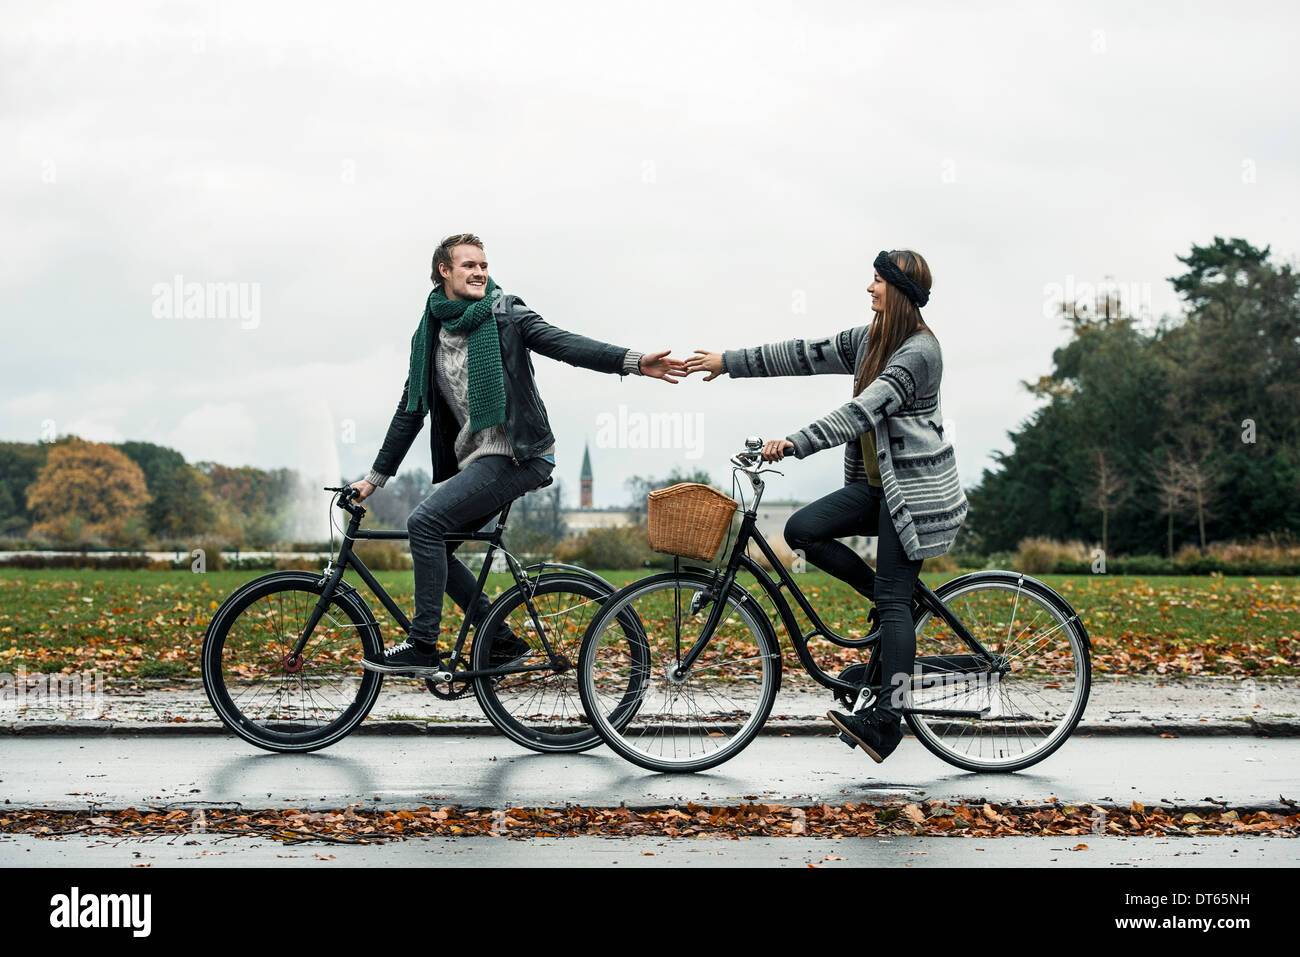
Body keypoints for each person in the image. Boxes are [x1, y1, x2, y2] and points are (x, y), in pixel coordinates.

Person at [350, 233, 686, 676]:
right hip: (480, 458)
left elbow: (565, 344)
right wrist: (374, 478)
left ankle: (422, 645)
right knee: (437, 543)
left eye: (483, 265)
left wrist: (633, 361)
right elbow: (411, 409)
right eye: (468, 265)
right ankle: (501, 640)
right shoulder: (429, 333)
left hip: (518, 454)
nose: (479, 272)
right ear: (443, 272)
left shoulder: (506, 316)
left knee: (424, 524)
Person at [684, 249, 967, 762]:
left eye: (877, 281)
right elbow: (802, 353)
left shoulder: (920, 353)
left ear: (900, 291)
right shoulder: (869, 340)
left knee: (893, 601)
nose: (869, 288)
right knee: (803, 530)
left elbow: (864, 410)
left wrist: (795, 442)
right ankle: (891, 609)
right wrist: (727, 362)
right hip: (880, 489)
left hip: (916, 497)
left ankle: (886, 721)